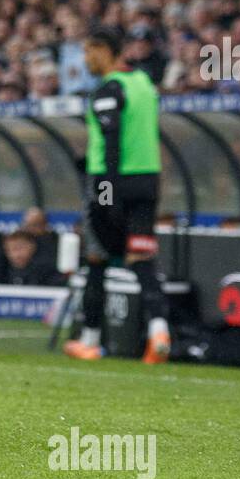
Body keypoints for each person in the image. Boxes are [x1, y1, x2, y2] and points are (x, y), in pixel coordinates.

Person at [65, 26, 170, 364]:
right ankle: (158, 331)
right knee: (141, 257)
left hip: (112, 183)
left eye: (88, 51)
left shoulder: (109, 89)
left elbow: (111, 143)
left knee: (97, 257)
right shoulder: (144, 84)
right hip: (147, 181)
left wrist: (106, 197)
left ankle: (91, 340)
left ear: (103, 49)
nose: (85, 59)